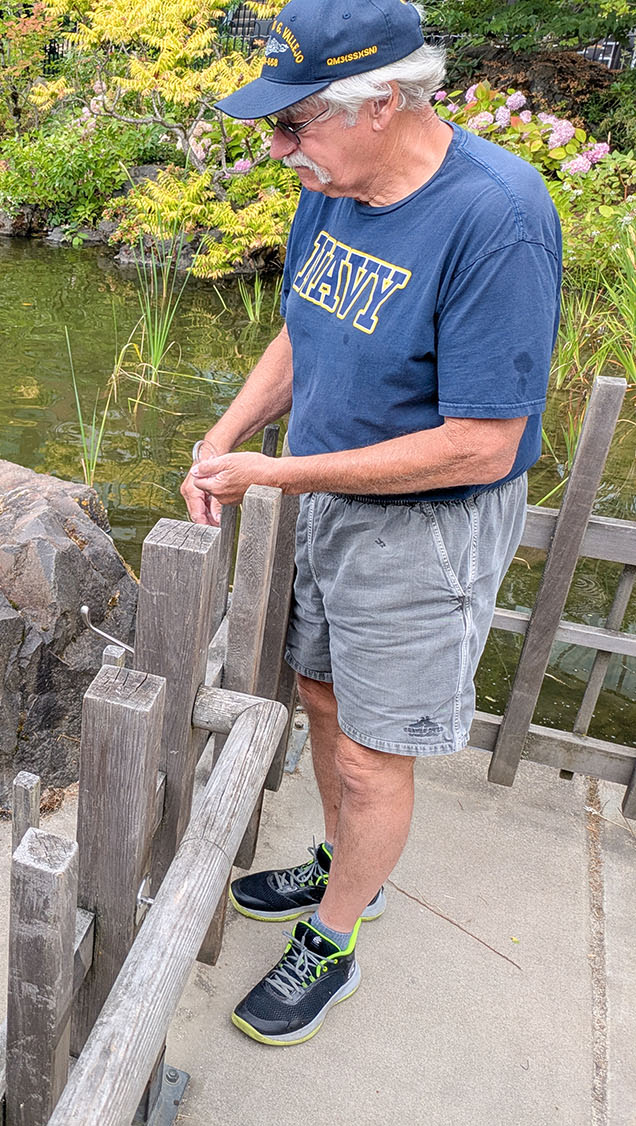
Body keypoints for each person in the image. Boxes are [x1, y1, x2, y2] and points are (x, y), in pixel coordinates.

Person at [181, 0, 561, 1046]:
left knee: (372, 750)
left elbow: (484, 443)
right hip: (332, 496)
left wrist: (283, 469)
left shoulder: (496, 216)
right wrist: (227, 438)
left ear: (383, 103)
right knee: (319, 697)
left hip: (427, 521)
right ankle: (347, 865)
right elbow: (304, 329)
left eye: (293, 124)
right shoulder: (334, 185)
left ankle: (339, 934)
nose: (278, 148)